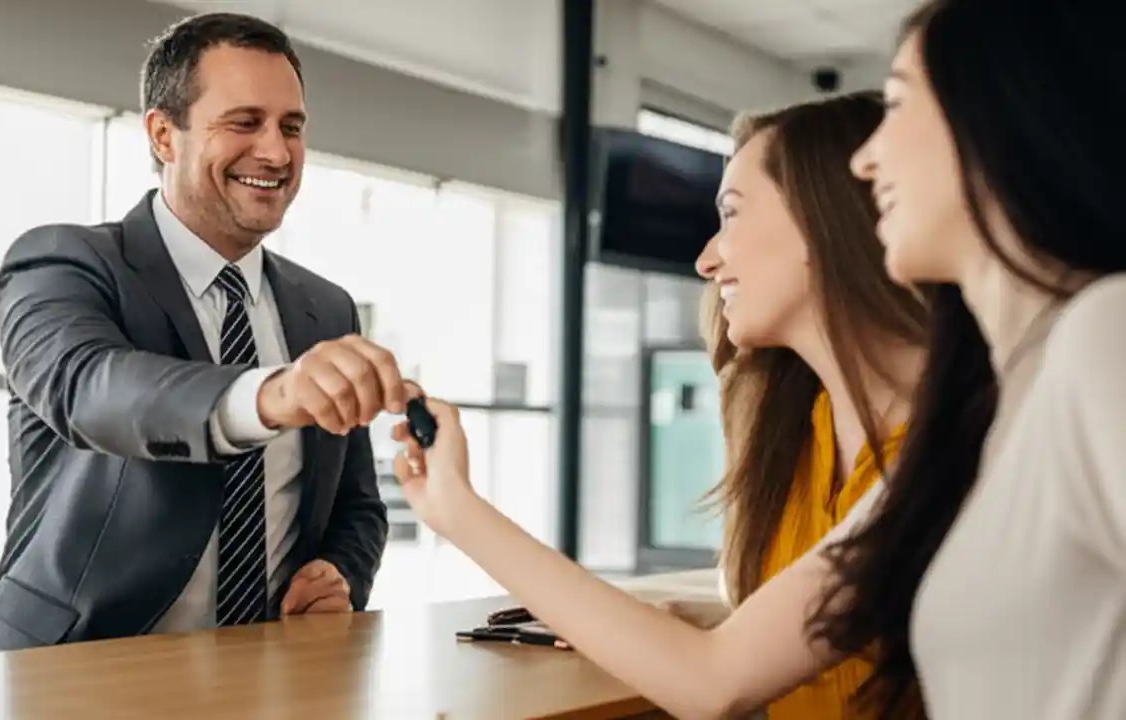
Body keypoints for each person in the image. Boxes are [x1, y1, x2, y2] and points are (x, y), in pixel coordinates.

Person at [390, 0, 1126, 718]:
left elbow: (716, 684)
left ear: (995, 125)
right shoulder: (971, 428)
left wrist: (455, 509)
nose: (869, 158)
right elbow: (739, 663)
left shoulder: (1098, 339)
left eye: (899, 109)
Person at [0, 13, 409, 653]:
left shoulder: (326, 309)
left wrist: (340, 573)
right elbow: (92, 389)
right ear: (164, 134)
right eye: (244, 122)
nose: (277, 152)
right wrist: (266, 395)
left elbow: (355, 504)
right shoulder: (63, 263)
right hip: (69, 668)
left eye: (292, 127)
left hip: (257, 677)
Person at [691, 92, 926, 720]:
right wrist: (726, 621)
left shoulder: (951, 447)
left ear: (824, 221)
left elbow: (714, 685)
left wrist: (454, 502)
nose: (706, 259)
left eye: (731, 215)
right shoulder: (781, 425)